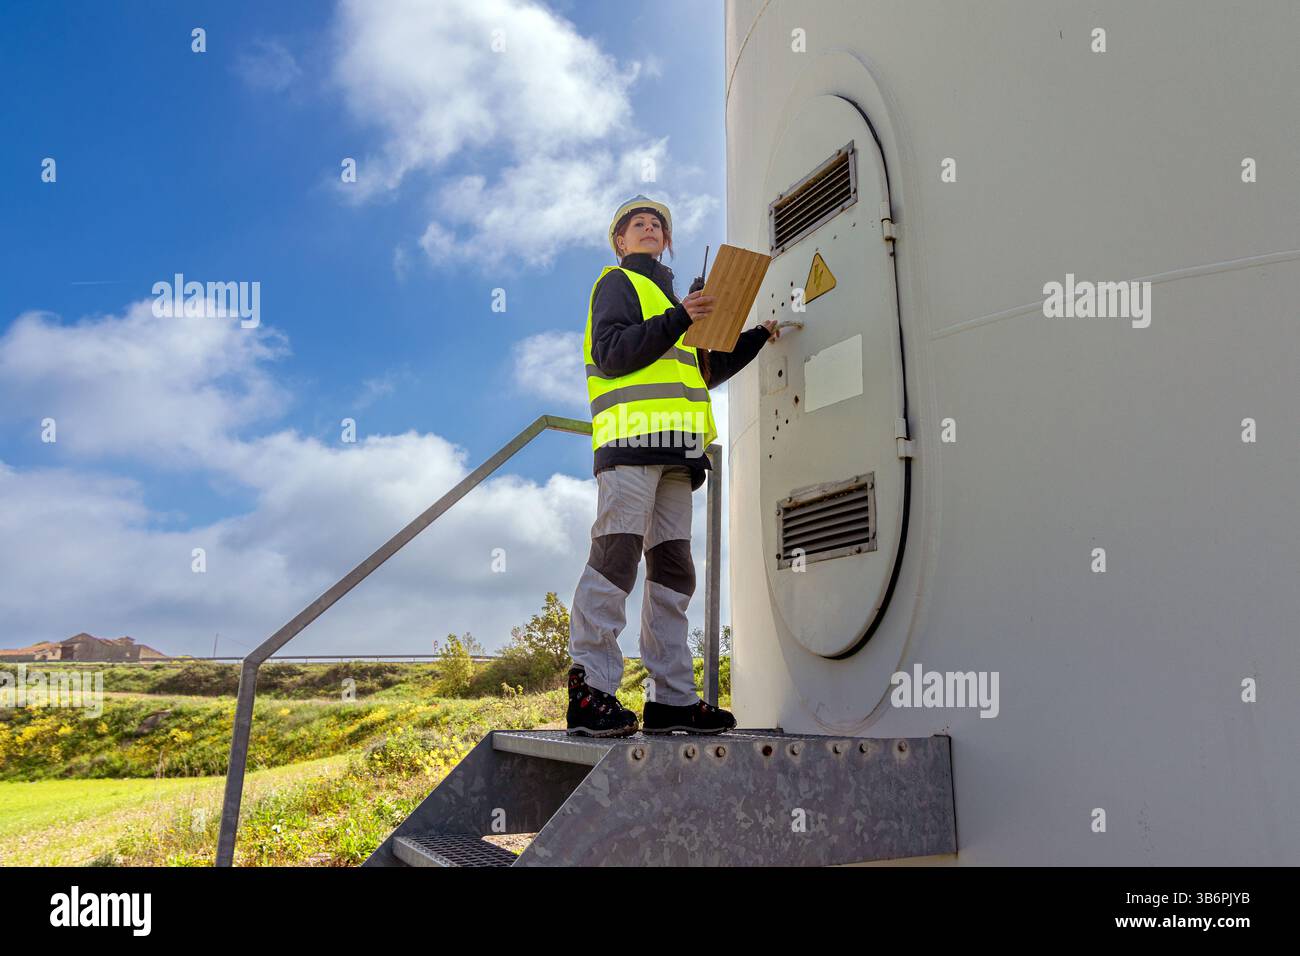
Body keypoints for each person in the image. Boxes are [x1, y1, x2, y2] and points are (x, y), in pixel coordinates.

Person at [566, 195, 780, 736]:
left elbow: (701, 373)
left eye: (657, 223)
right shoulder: (618, 284)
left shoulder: (682, 302)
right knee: (616, 559)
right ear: (620, 242)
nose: (648, 227)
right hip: (633, 446)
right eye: (637, 224)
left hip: (679, 458)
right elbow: (613, 353)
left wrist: (758, 337)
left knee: (674, 575)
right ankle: (591, 691)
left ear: (667, 239)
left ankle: (672, 700)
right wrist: (679, 315)